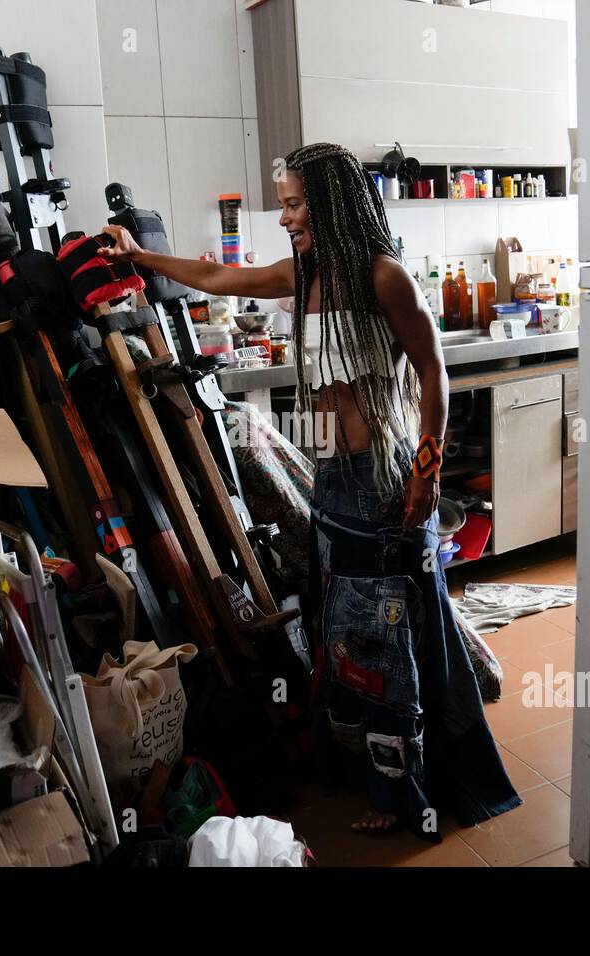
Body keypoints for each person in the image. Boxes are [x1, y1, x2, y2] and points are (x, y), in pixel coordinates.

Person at [97, 142, 520, 837]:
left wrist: (428, 468)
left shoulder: (385, 277)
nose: (286, 216)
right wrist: (139, 260)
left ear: (329, 204)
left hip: (381, 480)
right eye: (285, 203)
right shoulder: (305, 275)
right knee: (347, 638)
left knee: (385, 647)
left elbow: (434, 369)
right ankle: (371, 773)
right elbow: (215, 275)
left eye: (295, 204)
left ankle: (406, 799)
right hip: (332, 480)